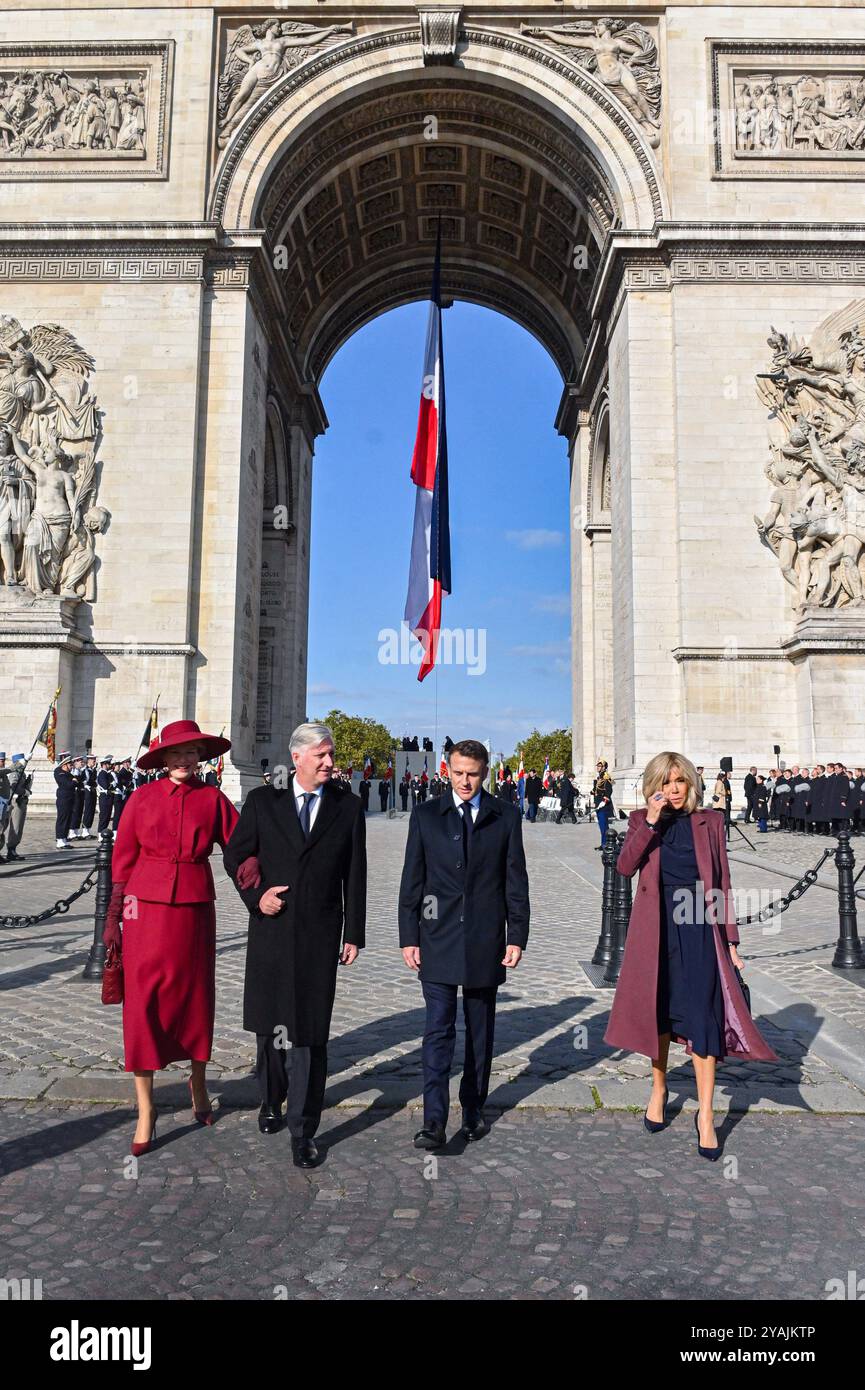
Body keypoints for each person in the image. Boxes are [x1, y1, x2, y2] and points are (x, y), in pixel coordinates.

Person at [604, 751, 778, 1161]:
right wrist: (649, 821)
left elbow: (723, 883)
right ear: (654, 787)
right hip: (656, 929)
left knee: (703, 1017)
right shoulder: (638, 821)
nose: (674, 789)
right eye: (665, 782)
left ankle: (706, 1115)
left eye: (680, 781)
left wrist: (731, 943)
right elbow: (625, 867)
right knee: (660, 1011)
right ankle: (659, 1088)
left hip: (700, 928)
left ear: (691, 784)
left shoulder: (711, 822)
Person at [223, 722, 366, 1168]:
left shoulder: (348, 806)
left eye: (331, 754)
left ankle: (304, 1130)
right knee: (270, 1027)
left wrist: (354, 932)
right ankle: (271, 1098)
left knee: (310, 1034)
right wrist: (255, 895)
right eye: (321, 755)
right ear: (297, 757)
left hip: (320, 934)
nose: (330, 762)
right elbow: (236, 856)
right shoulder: (264, 802)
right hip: (272, 929)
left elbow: (356, 874)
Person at [102, 719, 239, 1156]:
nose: (184, 760)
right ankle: (146, 1109)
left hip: (196, 911)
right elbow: (122, 863)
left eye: (192, 752)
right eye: (176, 753)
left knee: (196, 998)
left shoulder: (214, 798)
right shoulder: (140, 799)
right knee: (143, 1003)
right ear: (163, 758)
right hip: (144, 912)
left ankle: (198, 1084)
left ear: (201, 757)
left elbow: (241, 849)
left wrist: (267, 881)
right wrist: (114, 919)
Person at [398, 739, 530, 1149]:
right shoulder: (424, 815)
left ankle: (473, 1108)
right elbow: (412, 880)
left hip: (485, 938)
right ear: (446, 770)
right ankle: (433, 1121)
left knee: (479, 1029)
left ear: (486, 772)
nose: (465, 781)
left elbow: (515, 880)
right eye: (458, 773)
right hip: (436, 938)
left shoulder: (506, 816)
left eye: (473, 774)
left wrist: (517, 936)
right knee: (437, 1029)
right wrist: (408, 937)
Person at [1, 753, 31, 861]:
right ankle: (11, 850)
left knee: (17, 827)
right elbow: (13, 787)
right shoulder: (15, 774)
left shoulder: (20, 773)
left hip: (19, 801)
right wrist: (25, 791)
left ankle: (12, 849)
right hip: (15, 802)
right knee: (15, 826)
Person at [54, 751, 76, 848]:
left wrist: (74, 781)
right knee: (62, 819)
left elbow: (76, 781)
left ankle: (64, 838)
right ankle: (59, 840)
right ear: (65, 765)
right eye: (70, 765)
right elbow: (68, 784)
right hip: (63, 799)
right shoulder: (59, 772)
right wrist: (73, 781)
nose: (72, 766)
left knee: (68, 819)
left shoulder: (68, 774)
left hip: (70, 798)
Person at [592, 761, 614, 845]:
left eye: (600, 766)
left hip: (603, 804)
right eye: (597, 765)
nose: (598, 767)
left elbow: (609, 790)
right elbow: (597, 790)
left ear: (604, 767)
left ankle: (604, 844)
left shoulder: (606, 777)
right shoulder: (599, 777)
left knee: (603, 825)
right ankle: (607, 843)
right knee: (602, 825)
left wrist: (604, 801)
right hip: (598, 803)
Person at [96, 755, 116, 840]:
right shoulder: (102, 773)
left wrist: (112, 784)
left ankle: (104, 833)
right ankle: (100, 834)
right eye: (108, 763)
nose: (109, 765)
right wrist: (112, 784)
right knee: (104, 816)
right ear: (104, 764)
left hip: (108, 796)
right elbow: (106, 786)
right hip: (104, 797)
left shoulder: (107, 774)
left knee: (107, 816)